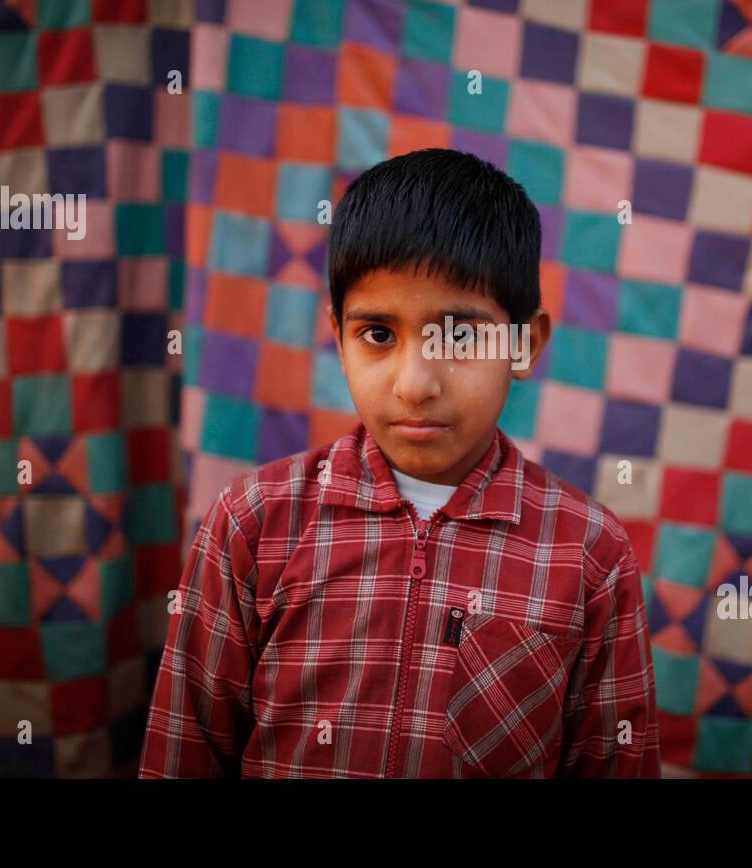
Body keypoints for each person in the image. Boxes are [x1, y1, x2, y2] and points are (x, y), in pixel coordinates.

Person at [139, 148, 660, 778]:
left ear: (525, 345)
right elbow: (184, 755)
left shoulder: (588, 555)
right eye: (379, 334)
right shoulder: (253, 524)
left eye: (460, 337)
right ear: (338, 337)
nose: (415, 384)